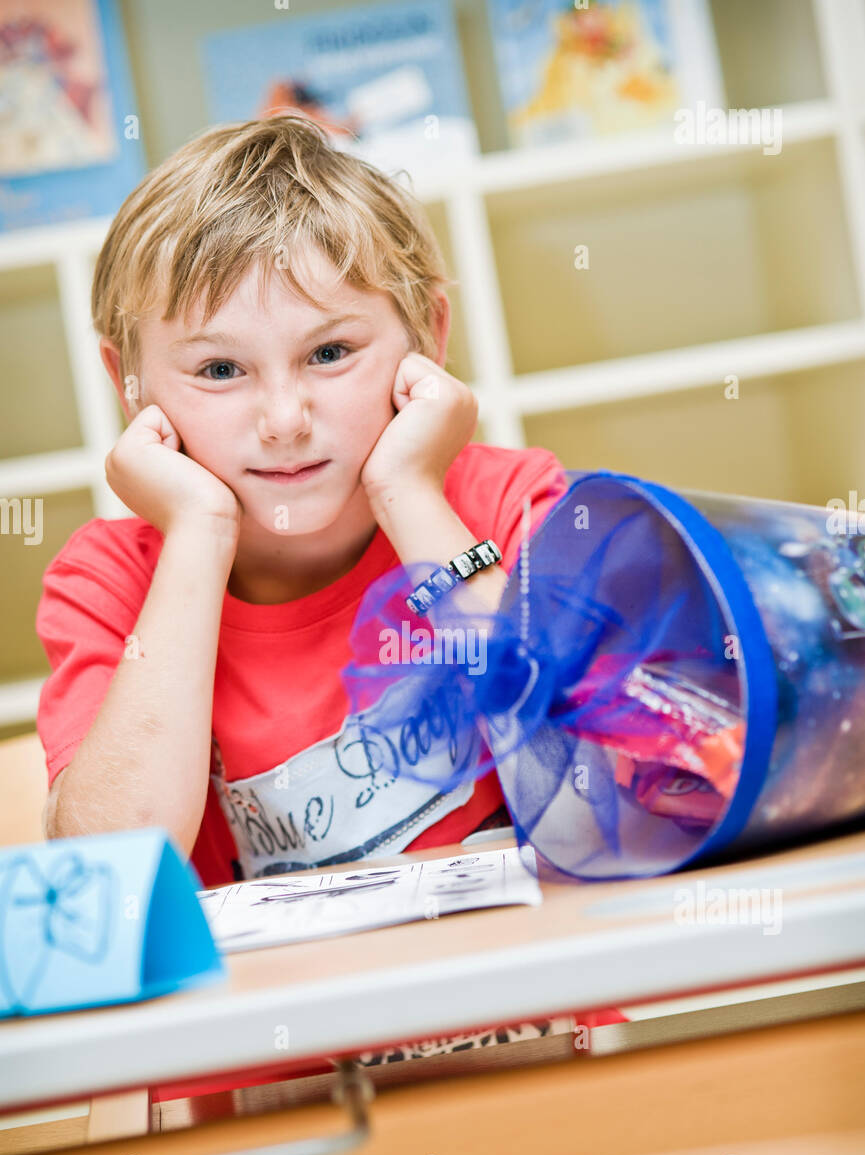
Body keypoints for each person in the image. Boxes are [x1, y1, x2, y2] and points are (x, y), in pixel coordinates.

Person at [36, 113, 569, 891]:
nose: (283, 421)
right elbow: (110, 873)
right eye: (220, 370)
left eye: (328, 354)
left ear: (429, 333)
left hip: (531, 1006)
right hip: (283, 1017)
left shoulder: (506, 505)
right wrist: (197, 534)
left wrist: (410, 495)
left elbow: (596, 771)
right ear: (130, 381)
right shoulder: (107, 584)